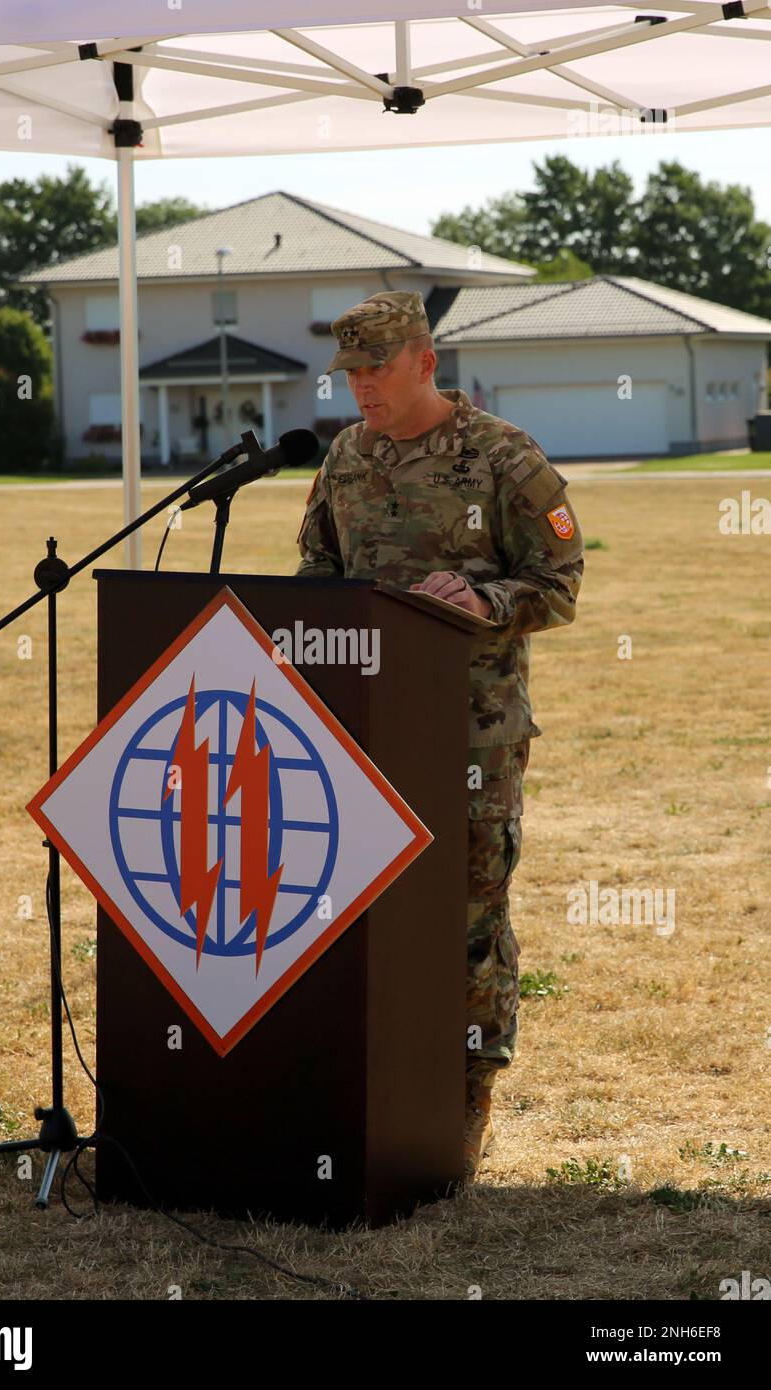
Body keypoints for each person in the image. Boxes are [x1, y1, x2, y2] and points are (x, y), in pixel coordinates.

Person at [294, 289, 584, 1180]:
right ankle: (373, 1075)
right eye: (351, 373)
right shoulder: (344, 457)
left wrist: (486, 601)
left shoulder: (504, 458)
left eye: (377, 369)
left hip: (472, 729)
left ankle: (467, 1091)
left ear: (425, 359)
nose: (362, 390)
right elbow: (316, 567)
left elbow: (561, 582)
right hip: (363, 725)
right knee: (360, 898)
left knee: (466, 906)